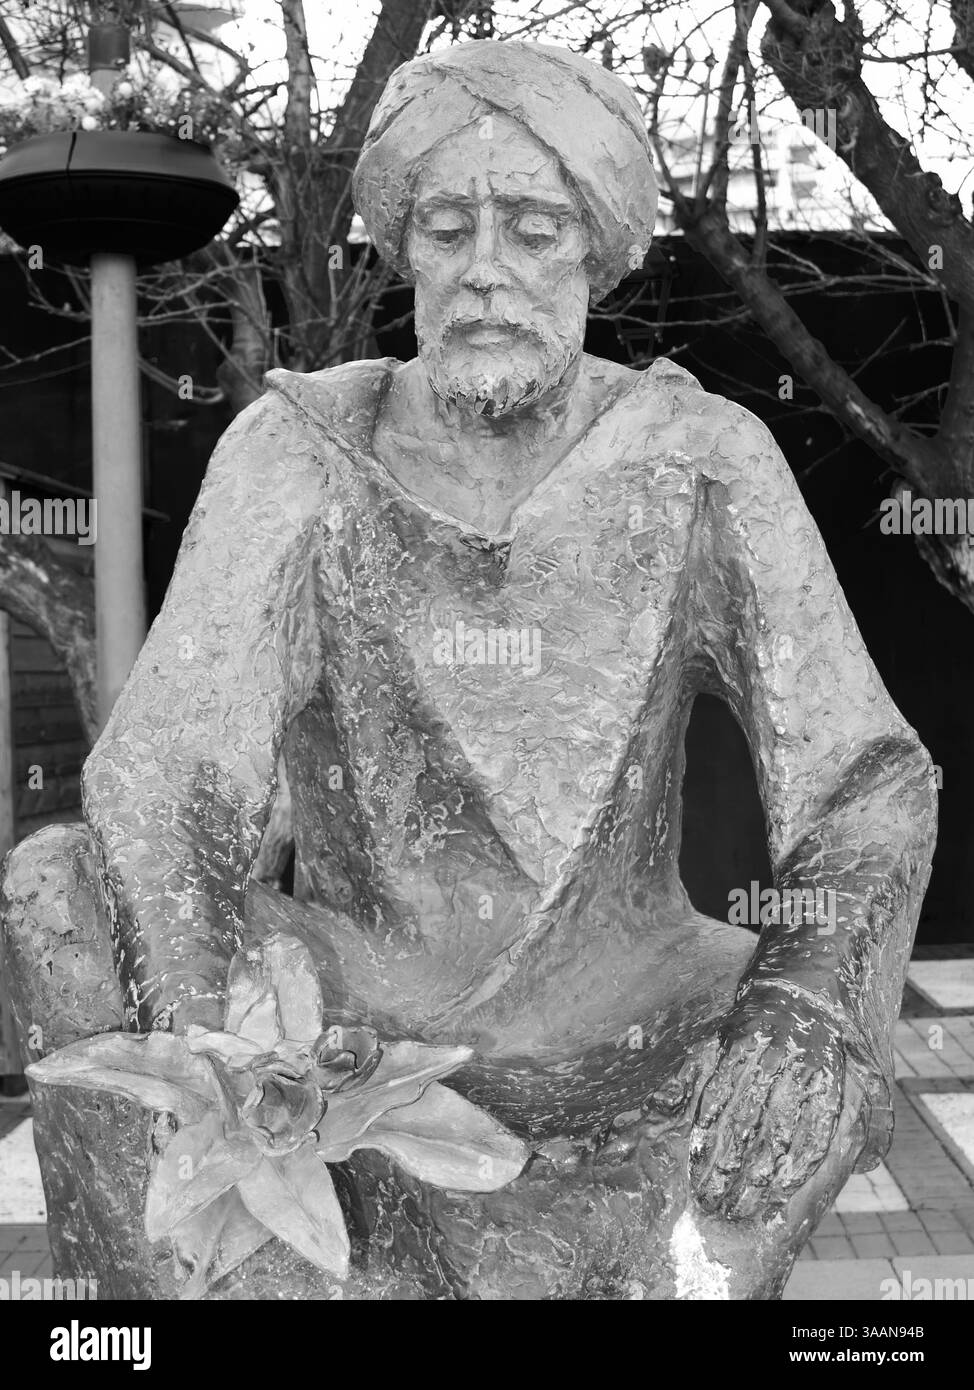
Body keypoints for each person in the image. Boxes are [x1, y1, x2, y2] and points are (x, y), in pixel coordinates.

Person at [2, 40, 936, 1299]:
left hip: (629, 1027)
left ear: (600, 252)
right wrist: (212, 1041)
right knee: (57, 889)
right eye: (447, 226)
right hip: (342, 1019)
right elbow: (170, 774)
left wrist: (810, 1002)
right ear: (401, 249)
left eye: (536, 227)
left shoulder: (703, 459)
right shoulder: (293, 455)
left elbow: (863, 784)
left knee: (800, 1049)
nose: (487, 270)